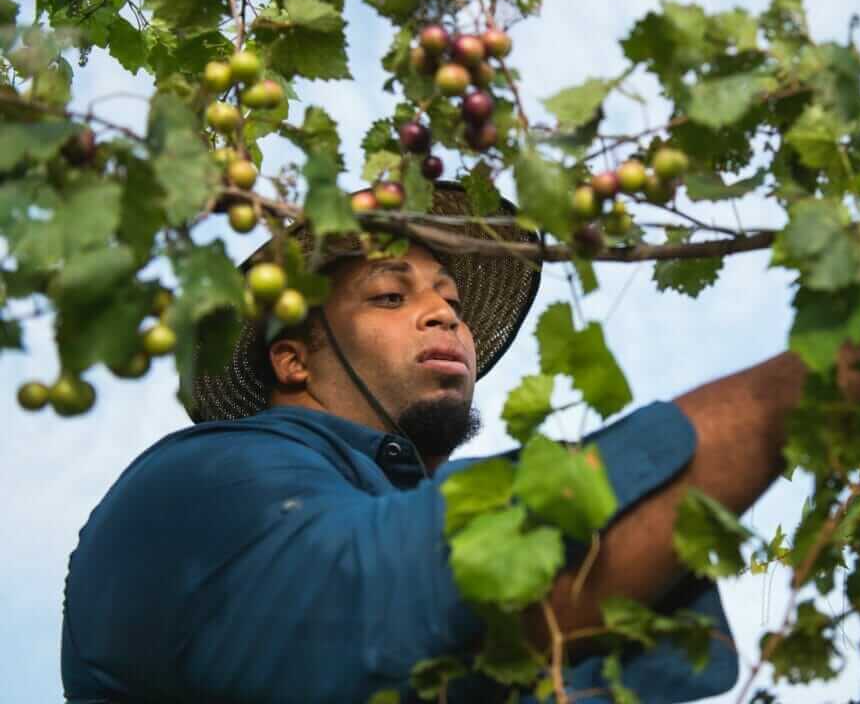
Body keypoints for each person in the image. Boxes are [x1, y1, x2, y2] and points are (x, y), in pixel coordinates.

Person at [60, 182, 809, 703]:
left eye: (450, 299)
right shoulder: (204, 480)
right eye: (390, 296)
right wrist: (789, 397)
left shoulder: (410, 501)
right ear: (292, 360)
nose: (444, 314)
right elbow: (400, 605)